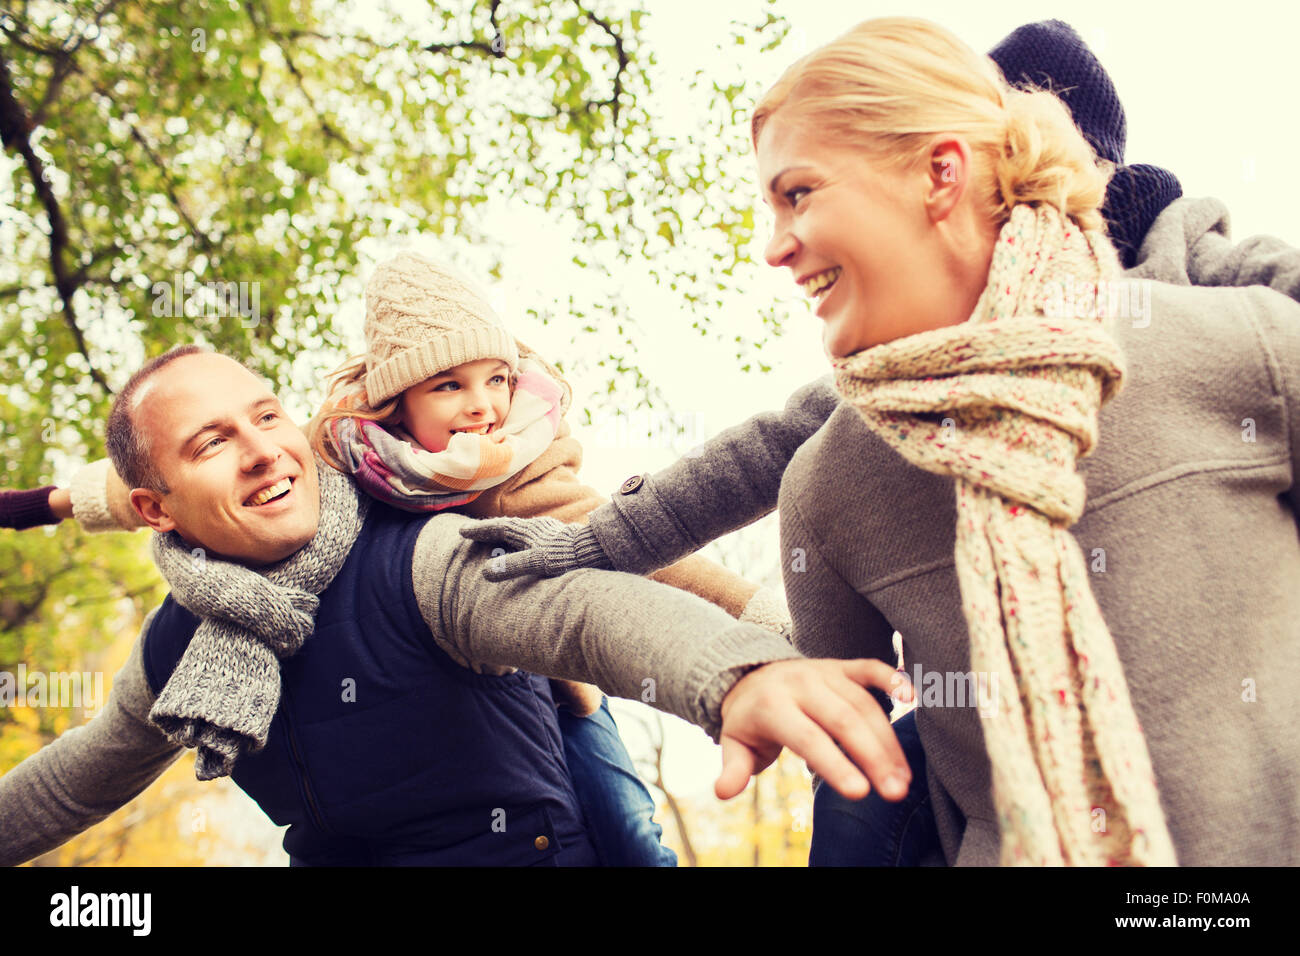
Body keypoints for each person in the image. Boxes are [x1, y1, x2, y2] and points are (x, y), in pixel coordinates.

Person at [464, 17, 1300, 866]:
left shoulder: (1237, 335)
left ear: (944, 172)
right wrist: (591, 550)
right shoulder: (830, 477)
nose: (773, 246)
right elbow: (853, 733)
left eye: (799, 194)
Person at [0, 343, 917, 866]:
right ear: (155, 510)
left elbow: (585, 614)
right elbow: (78, 776)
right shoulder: (176, 658)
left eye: (267, 416)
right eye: (212, 442)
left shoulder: (418, 559)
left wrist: (734, 676)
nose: (262, 451)